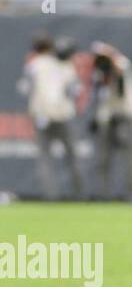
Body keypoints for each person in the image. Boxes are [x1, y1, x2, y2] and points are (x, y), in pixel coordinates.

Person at [18, 35, 84, 200]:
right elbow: (75, 91)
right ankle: (80, 195)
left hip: (42, 116)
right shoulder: (64, 65)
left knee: (44, 159)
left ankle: (50, 197)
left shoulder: (33, 65)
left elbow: (24, 88)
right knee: (71, 157)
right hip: (63, 115)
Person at [88, 41, 132, 201]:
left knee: (129, 157)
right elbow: (99, 96)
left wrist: (112, 66)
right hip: (108, 117)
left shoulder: (121, 63)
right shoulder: (99, 71)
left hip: (127, 115)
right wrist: (98, 118)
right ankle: (104, 194)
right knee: (103, 157)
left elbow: (121, 91)